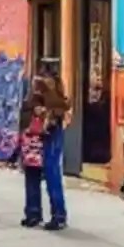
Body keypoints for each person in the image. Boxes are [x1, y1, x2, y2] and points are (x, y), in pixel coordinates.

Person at [31, 65, 71, 230]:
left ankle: (58, 215)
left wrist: (45, 113)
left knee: (51, 172)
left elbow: (62, 106)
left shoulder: (47, 86)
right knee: (49, 172)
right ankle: (56, 214)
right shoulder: (54, 86)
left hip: (50, 131)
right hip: (48, 131)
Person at [19, 76, 50, 227]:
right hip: (39, 149)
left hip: (31, 149)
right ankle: (34, 212)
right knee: (35, 180)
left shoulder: (31, 103)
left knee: (31, 181)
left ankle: (33, 213)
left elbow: (24, 124)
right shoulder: (44, 105)